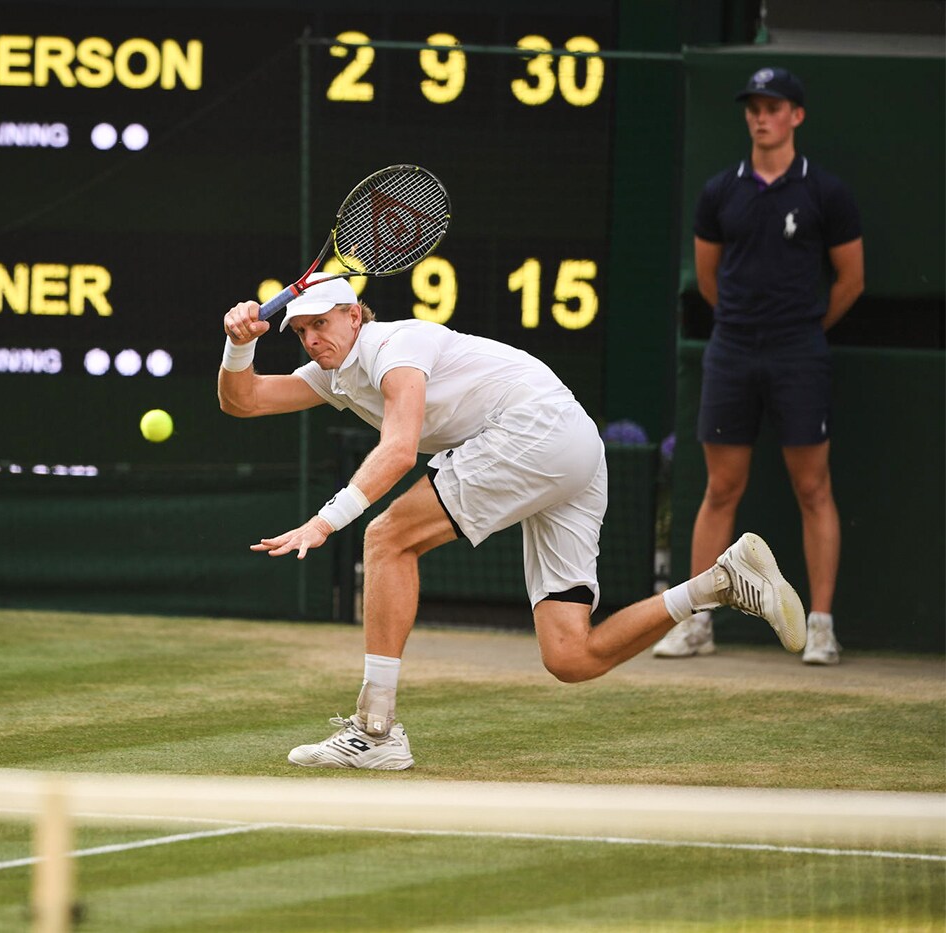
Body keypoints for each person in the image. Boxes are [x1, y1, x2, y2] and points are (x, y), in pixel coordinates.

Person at [218, 272, 807, 770]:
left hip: (531, 429)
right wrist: (238, 344)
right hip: (574, 449)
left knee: (387, 538)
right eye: (300, 331)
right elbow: (243, 402)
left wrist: (324, 523)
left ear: (354, 316)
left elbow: (399, 451)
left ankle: (376, 732)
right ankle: (719, 583)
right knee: (571, 657)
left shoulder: (394, 345)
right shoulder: (335, 375)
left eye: (321, 323)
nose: (311, 338)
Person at [652, 66, 864, 666]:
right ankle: (695, 623)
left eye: (774, 106)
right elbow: (710, 277)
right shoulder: (721, 191)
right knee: (721, 487)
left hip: (801, 353)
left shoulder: (826, 192)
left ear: (796, 115)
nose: (760, 115)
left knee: (812, 486)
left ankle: (820, 625)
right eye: (754, 107)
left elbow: (851, 279)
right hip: (732, 350)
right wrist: (746, 325)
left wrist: (802, 329)